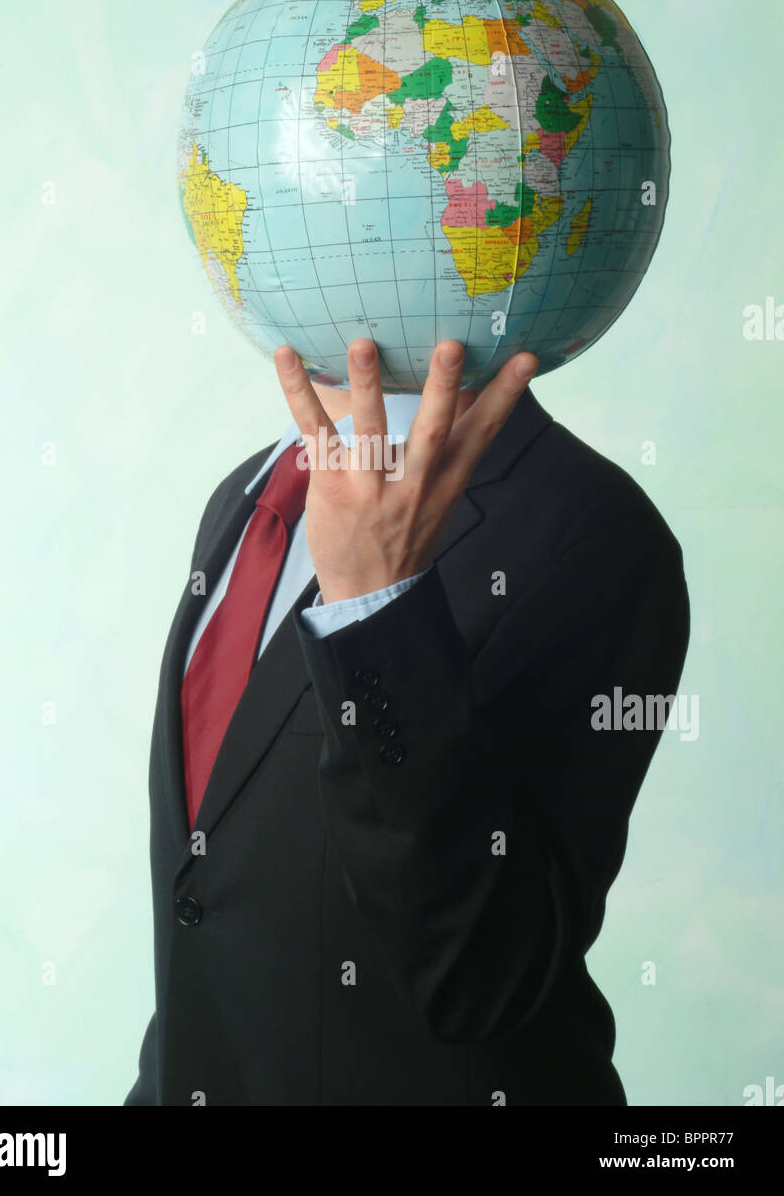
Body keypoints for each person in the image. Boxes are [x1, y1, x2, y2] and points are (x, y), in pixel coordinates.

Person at [124, 339, 690, 1106]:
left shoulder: (595, 527)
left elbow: (486, 978)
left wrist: (375, 605)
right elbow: (213, 882)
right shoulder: (249, 490)